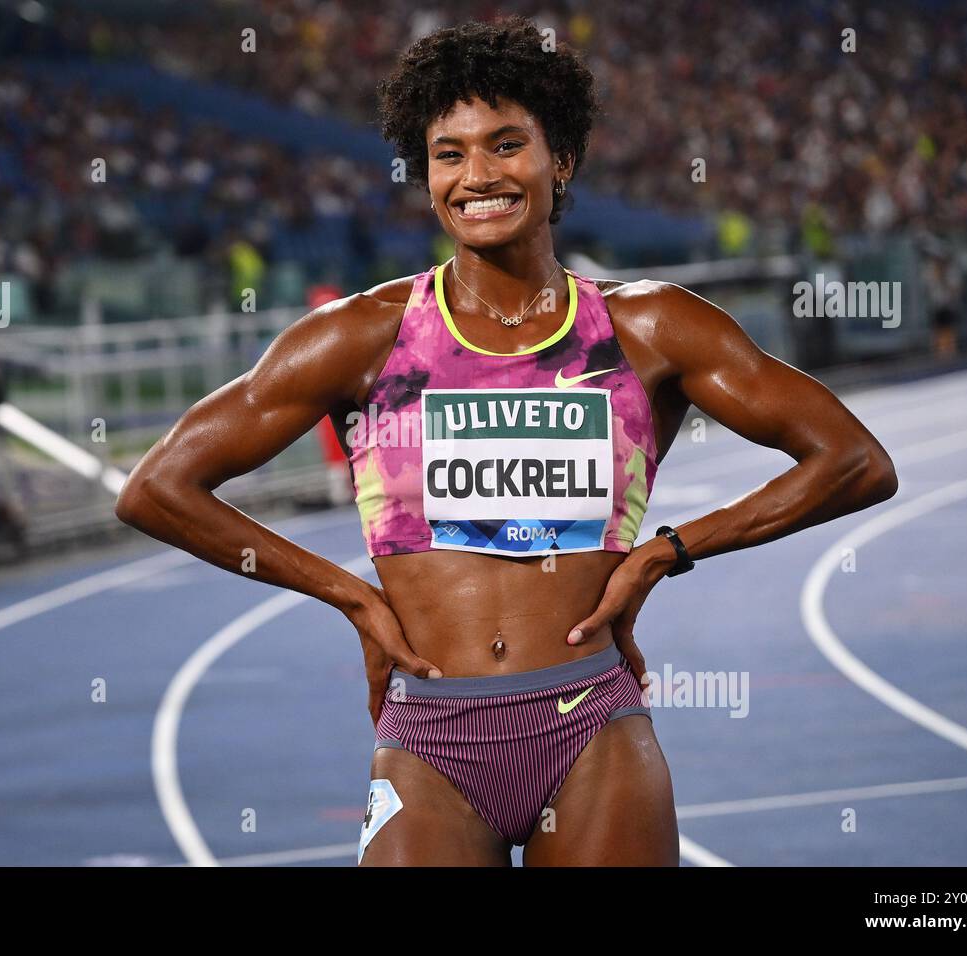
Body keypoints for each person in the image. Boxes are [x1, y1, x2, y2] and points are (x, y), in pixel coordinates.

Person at [114, 17, 898, 866]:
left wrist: (665, 552)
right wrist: (351, 596)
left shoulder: (650, 328)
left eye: (506, 145)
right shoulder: (364, 336)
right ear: (424, 176)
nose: (477, 176)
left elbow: (855, 462)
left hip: (591, 724)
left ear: (560, 161)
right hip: (427, 737)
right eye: (449, 154)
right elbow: (157, 488)